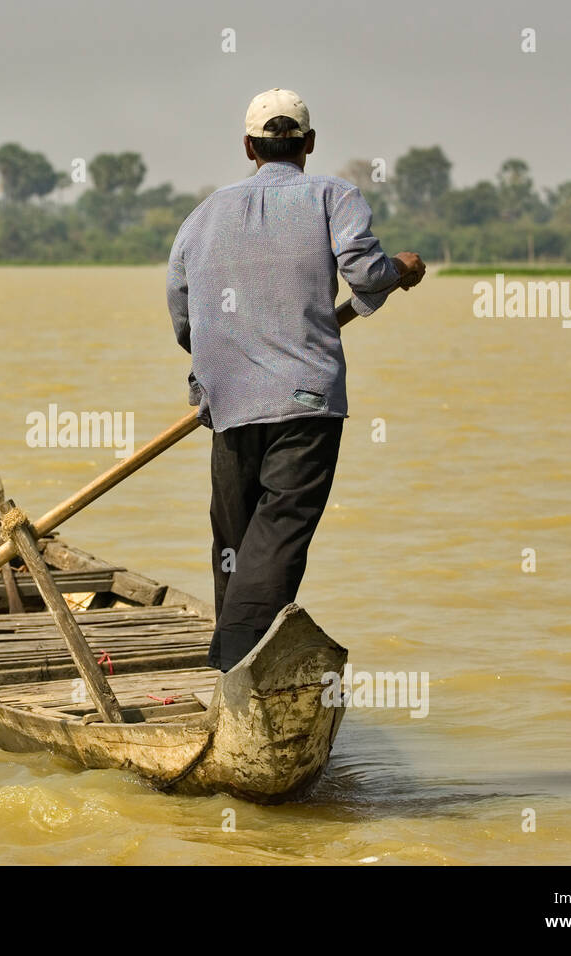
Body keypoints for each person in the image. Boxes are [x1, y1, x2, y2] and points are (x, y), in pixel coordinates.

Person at [166, 88, 426, 672]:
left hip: (227, 401)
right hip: (305, 403)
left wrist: (212, 357)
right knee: (277, 536)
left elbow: (180, 303)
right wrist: (401, 271)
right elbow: (365, 272)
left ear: (249, 147)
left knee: (235, 542)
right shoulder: (334, 196)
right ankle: (235, 666)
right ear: (308, 144)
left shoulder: (204, 212)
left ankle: (236, 662)